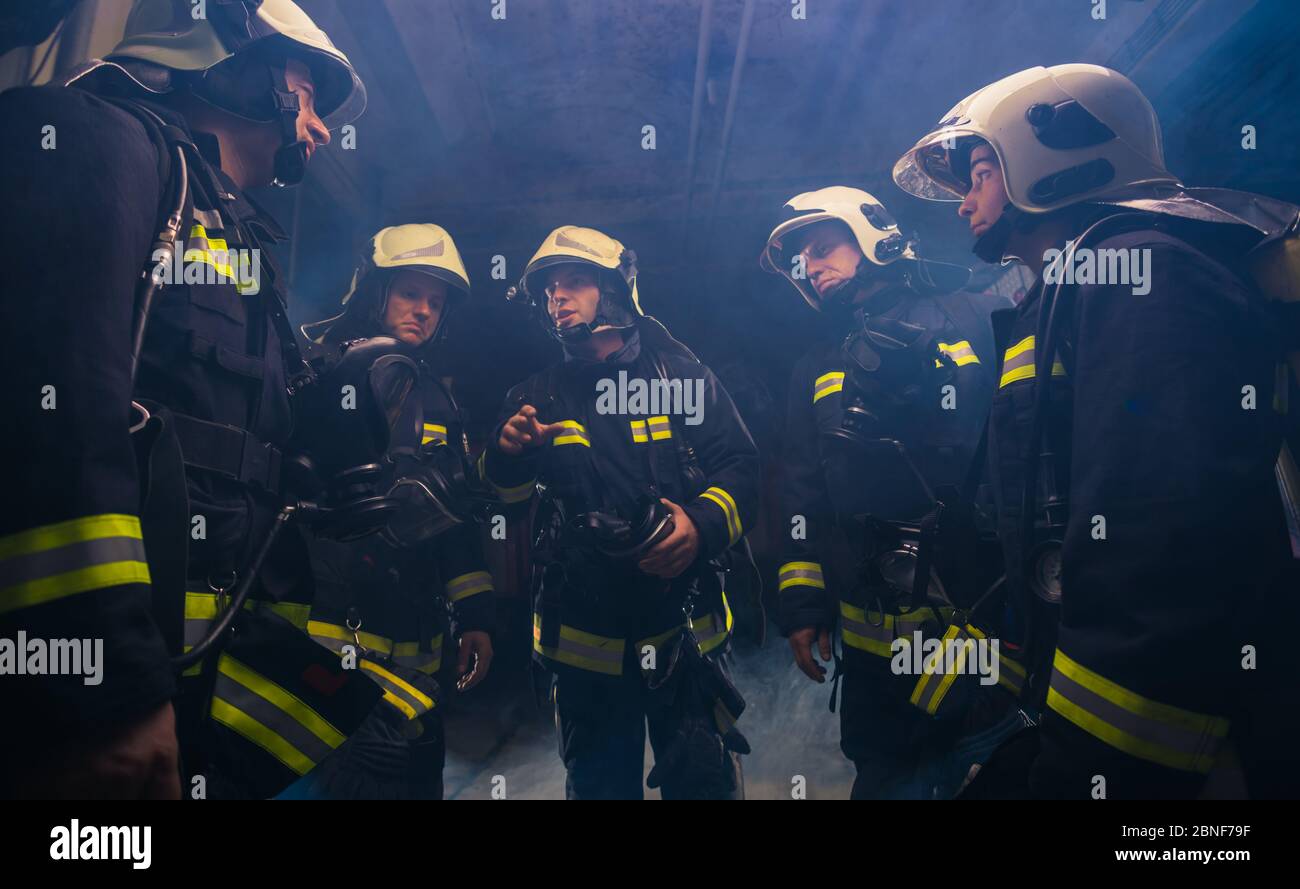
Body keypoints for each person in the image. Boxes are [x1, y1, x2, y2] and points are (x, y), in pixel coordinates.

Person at [894, 63, 1300, 798]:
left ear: (1053, 158)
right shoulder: (1075, 286)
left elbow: (1159, 537)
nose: (964, 203)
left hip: (1177, 747)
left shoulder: (1142, 270)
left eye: (981, 170)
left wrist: (1093, 766)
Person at [0, 0, 370, 799]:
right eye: (309, 96)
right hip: (115, 690)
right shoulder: (98, 142)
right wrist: (102, 694)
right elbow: (49, 408)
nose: (319, 130)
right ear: (252, 70)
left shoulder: (228, 230)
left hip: (198, 662)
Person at [481, 226, 760, 798]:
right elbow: (501, 510)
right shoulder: (535, 397)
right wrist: (507, 458)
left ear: (613, 290)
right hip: (586, 646)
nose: (556, 296)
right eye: (550, 289)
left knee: (704, 786)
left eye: (574, 282)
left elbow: (742, 470)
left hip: (685, 635)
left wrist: (699, 526)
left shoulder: (680, 375)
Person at [764, 186, 1021, 798]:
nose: (813, 267)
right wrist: (801, 606)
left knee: (991, 774)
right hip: (874, 653)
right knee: (884, 780)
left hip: (981, 624)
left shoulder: (975, 317)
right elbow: (801, 492)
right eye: (804, 261)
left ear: (874, 238)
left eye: (824, 248)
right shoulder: (817, 366)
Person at [294, 224, 496, 799]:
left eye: (436, 302)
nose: (424, 311)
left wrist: (476, 614)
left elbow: (453, 516)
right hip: (329, 638)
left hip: (417, 647)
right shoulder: (313, 370)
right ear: (374, 290)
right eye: (411, 293)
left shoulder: (437, 396)